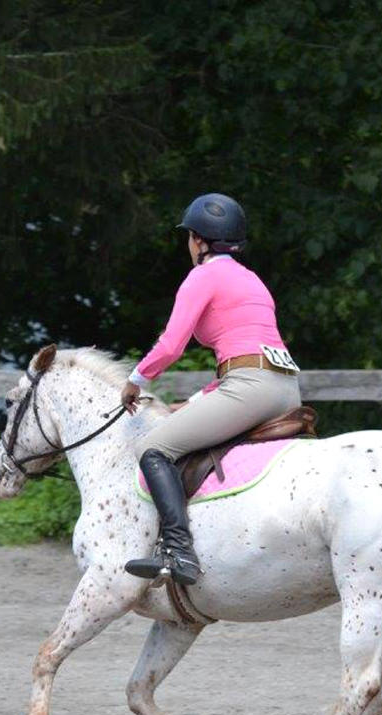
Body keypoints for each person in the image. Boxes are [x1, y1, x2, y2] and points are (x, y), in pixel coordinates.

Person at [120, 193, 302, 586]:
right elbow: (247, 353)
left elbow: (171, 345)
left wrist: (136, 380)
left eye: (188, 238)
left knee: (153, 449)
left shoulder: (203, 276)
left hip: (251, 390)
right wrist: (201, 398)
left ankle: (177, 550)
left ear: (199, 241)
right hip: (286, 390)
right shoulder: (251, 279)